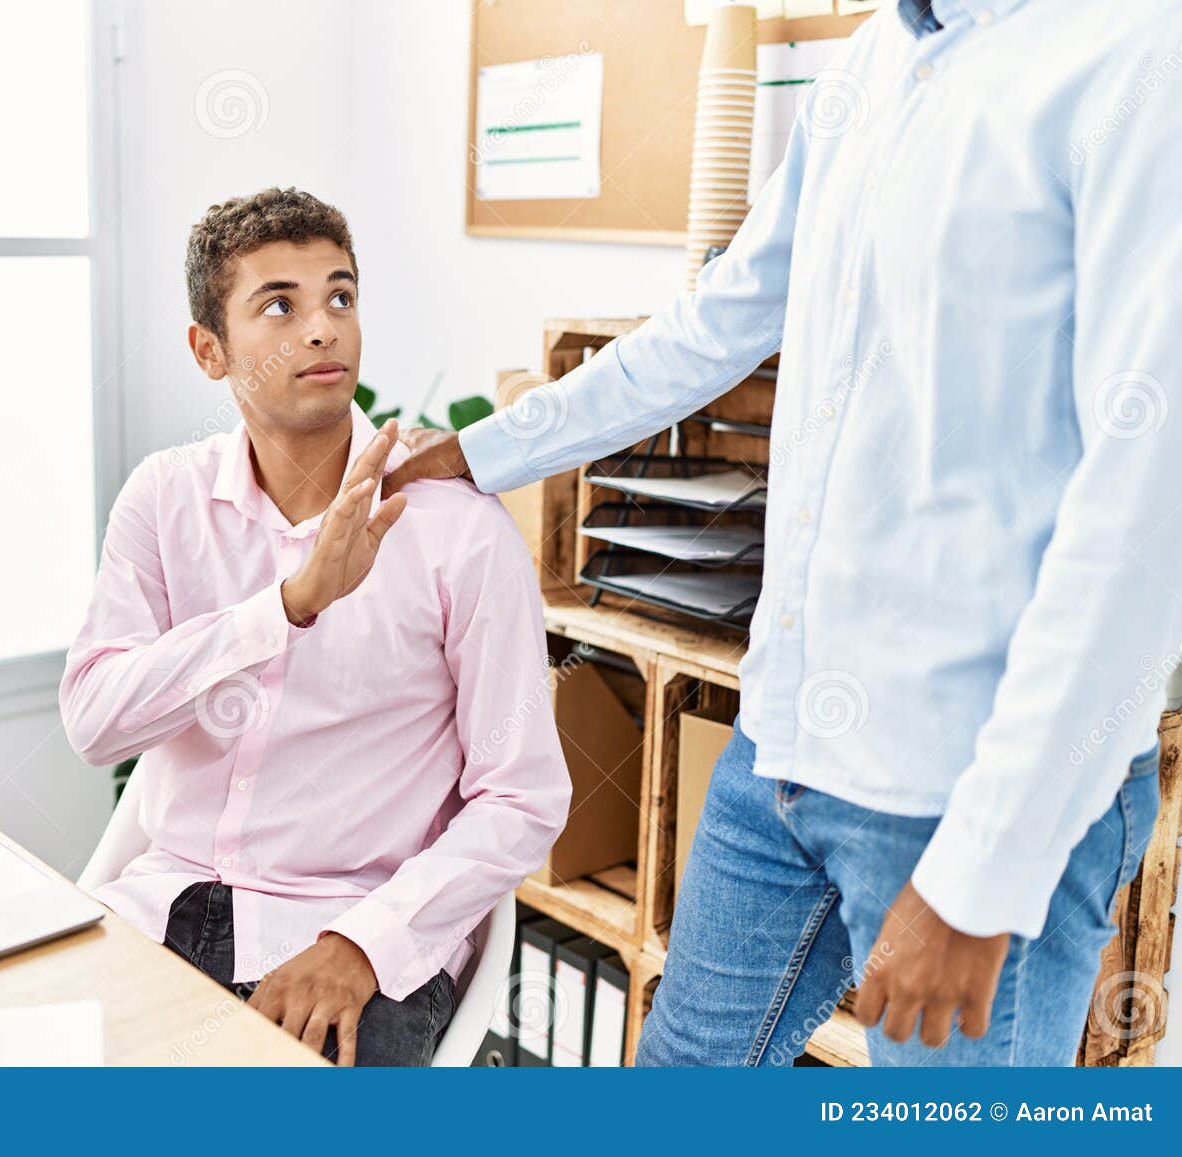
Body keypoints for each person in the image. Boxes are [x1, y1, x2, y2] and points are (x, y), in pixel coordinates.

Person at [383, 0, 1181, 1066]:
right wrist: (486, 451)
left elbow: (1145, 511)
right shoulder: (868, 64)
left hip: (966, 785)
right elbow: (716, 321)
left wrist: (981, 878)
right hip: (785, 750)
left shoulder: (1137, 53)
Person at [61, 188, 570, 1066]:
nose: (323, 328)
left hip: (347, 934)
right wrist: (285, 607)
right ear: (209, 351)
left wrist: (364, 946)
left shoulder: (454, 528)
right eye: (279, 306)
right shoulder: (164, 497)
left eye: (340, 297)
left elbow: (522, 796)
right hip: (162, 906)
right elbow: (95, 721)